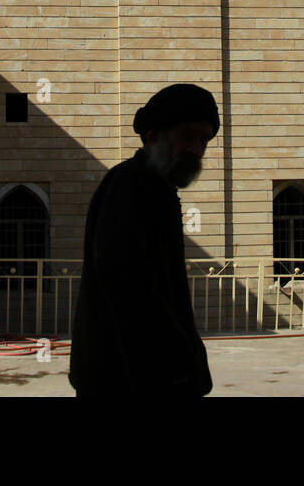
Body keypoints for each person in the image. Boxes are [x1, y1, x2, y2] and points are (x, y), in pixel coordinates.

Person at [69, 83, 218, 397]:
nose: (196, 149)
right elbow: (126, 289)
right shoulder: (131, 186)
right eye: (188, 135)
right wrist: (171, 371)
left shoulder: (155, 188)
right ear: (153, 136)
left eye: (204, 139)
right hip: (126, 378)